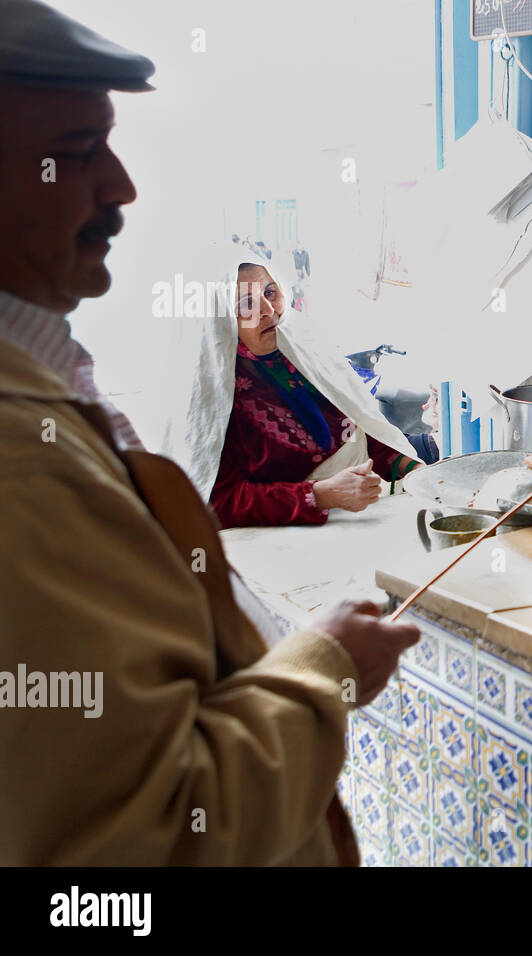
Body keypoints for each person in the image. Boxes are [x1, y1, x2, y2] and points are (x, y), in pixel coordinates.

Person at [0, 0, 418, 865]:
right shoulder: (25, 475)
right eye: (79, 153)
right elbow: (148, 837)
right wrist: (322, 667)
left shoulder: (53, 382)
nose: (122, 187)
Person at [160, 249, 425, 527]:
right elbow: (216, 501)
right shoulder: (210, 396)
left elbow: (365, 432)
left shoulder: (308, 352)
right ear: (219, 318)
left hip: (361, 519)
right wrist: (320, 495)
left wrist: (414, 470)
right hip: (281, 546)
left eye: (270, 293)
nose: (268, 311)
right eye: (246, 304)